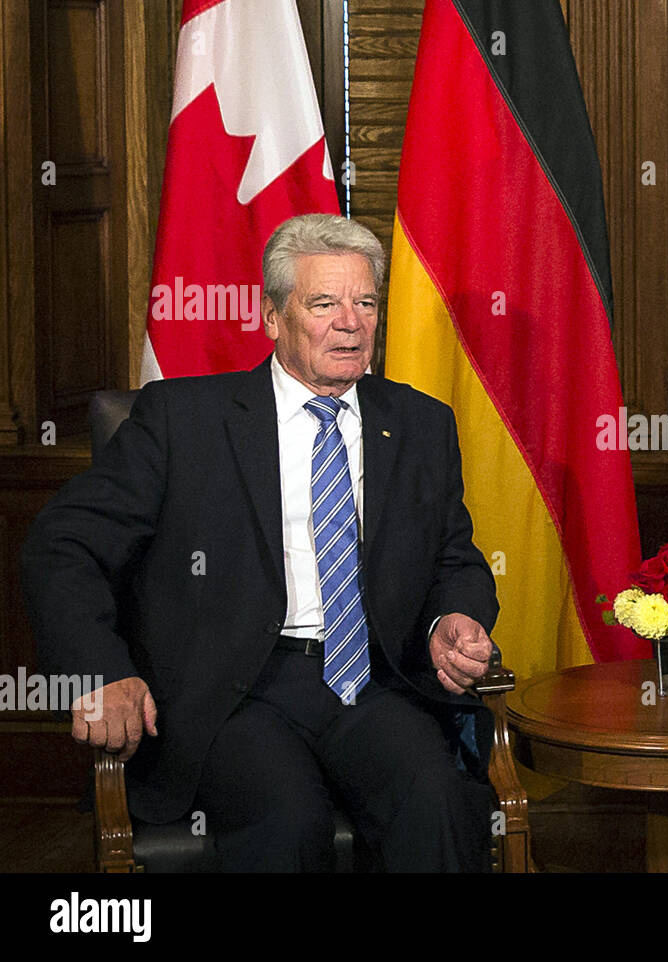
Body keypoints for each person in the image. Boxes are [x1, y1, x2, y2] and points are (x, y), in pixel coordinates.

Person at [22, 213, 499, 871]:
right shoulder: (180, 421)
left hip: (371, 685)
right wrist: (101, 673)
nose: (351, 322)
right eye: (325, 303)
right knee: (286, 821)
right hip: (236, 693)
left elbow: (454, 556)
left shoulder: (418, 423)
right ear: (273, 316)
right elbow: (64, 542)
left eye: (365, 303)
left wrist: (456, 616)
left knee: (438, 800)